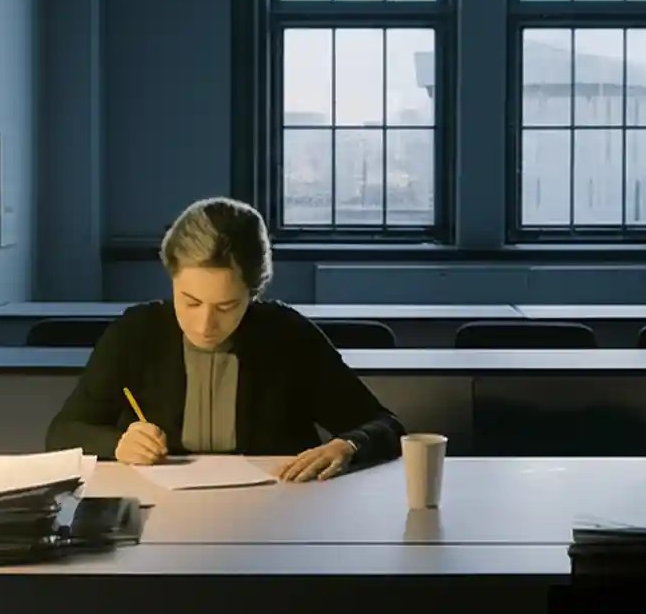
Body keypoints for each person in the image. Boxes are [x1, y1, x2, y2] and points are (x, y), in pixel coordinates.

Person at [45, 197, 405, 482]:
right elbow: (62, 433)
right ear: (171, 278)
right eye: (190, 301)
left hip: (276, 509)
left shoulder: (288, 335)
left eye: (227, 305)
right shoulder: (135, 332)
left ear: (254, 292)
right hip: (159, 509)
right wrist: (117, 444)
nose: (205, 324)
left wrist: (348, 445)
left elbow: (385, 425)